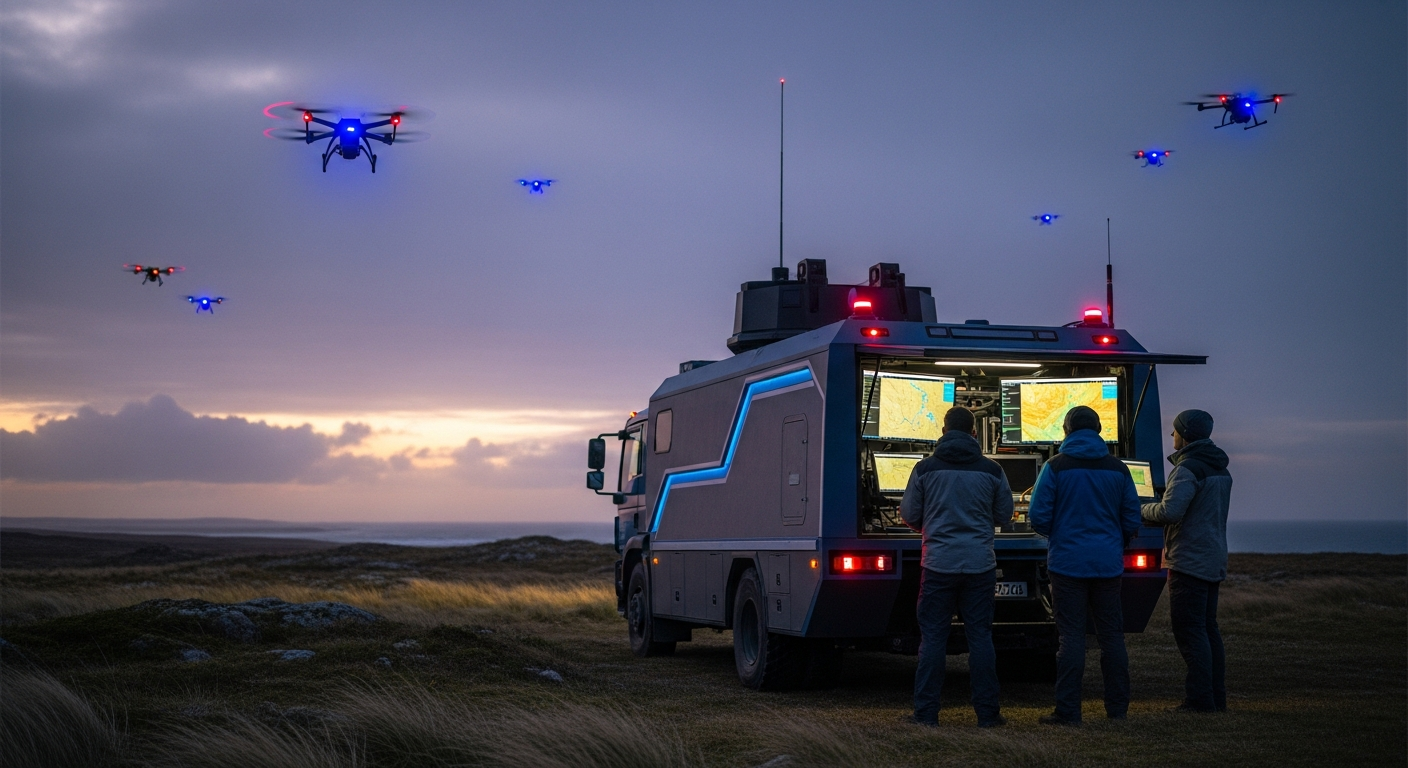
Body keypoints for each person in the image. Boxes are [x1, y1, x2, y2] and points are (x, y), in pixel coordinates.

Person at [901, 406, 1014, 728]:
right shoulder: (993, 470)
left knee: (933, 639)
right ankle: (988, 714)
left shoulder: (924, 469)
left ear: (943, 431)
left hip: (939, 564)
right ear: (974, 433)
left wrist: (930, 526)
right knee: (980, 638)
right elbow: (1004, 515)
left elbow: (909, 514)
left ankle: (926, 714)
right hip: (979, 564)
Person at [1029, 405, 1141, 726]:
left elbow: (1038, 516)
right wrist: (1112, 541)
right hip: (1107, 565)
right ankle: (1117, 710)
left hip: (1067, 565)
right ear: (1099, 431)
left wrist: (1060, 533)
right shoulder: (1119, 469)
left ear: (1066, 431)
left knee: (1071, 638)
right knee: (1112, 637)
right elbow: (1132, 517)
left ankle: (1068, 711)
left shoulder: (1055, 466)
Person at [1141, 409, 1233, 713]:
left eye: (1175, 430)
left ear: (1185, 434)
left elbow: (1170, 512)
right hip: (1212, 556)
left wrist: (1140, 509)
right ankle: (1215, 697)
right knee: (1208, 629)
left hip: (1188, 559)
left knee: (1190, 631)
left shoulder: (1186, 469)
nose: (1172, 435)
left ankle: (1199, 700)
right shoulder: (1219, 468)